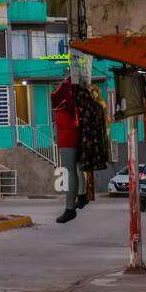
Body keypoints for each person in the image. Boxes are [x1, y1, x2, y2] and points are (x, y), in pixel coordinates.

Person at [51, 73, 81, 223]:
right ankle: (81, 196)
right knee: (77, 167)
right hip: (75, 133)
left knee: (69, 169)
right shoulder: (76, 98)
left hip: (67, 136)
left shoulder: (64, 100)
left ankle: (70, 208)